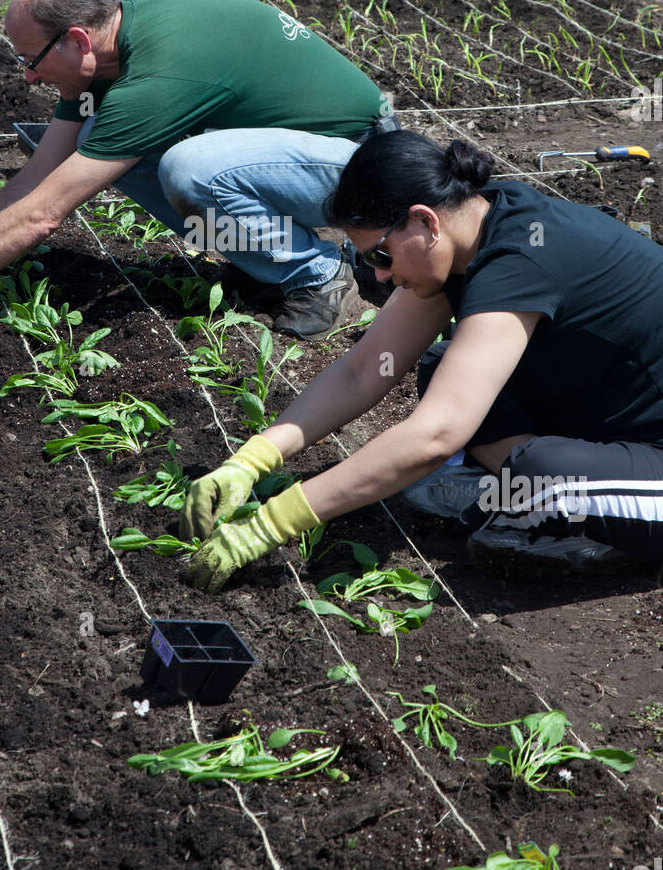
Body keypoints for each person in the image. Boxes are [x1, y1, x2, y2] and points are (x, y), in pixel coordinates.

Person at [181, 130, 663, 590]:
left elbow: (435, 437)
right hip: (619, 412)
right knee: (444, 369)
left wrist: (271, 524)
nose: (383, 276)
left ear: (424, 221)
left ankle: (582, 523)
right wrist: (254, 458)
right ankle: (528, 492)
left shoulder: (520, 261)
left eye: (381, 255)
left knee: (542, 474)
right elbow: (367, 368)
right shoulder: (471, 230)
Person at [0, 0, 399, 342]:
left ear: (78, 40)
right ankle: (265, 262)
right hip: (302, 157)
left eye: (31, 59)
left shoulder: (154, 79)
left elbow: (45, 214)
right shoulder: (113, 47)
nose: (28, 76)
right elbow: (39, 176)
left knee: (188, 170)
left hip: (366, 165)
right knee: (112, 146)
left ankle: (318, 278)